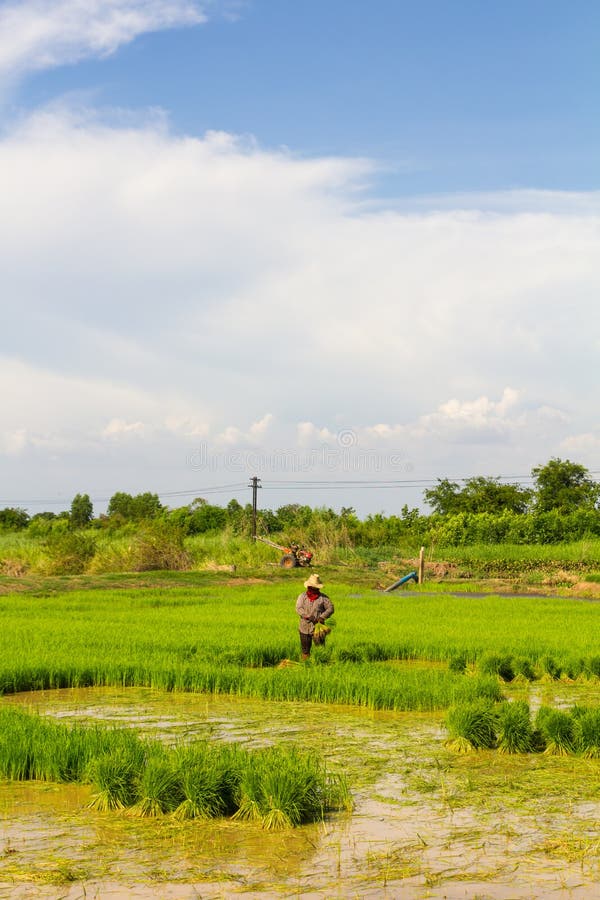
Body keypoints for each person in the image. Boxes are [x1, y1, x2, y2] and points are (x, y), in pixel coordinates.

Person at [295, 573, 334, 660]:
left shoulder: (323, 598)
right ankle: (306, 664)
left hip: (318, 628)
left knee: (320, 649)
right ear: (309, 587)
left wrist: (322, 617)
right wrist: (308, 616)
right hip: (304, 627)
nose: (314, 589)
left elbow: (331, 608)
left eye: (316, 588)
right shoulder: (302, 597)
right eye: (312, 587)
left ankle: (321, 664)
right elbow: (298, 608)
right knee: (305, 651)